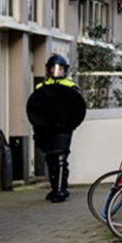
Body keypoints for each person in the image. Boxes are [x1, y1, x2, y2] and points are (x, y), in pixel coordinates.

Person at [33, 54, 83, 203]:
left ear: (64, 70)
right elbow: (35, 109)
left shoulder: (71, 87)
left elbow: (77, 107)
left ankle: (60, 190)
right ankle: (55, 187)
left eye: (60, 69)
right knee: (50, 158)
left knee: (61, 156)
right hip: (46, 129)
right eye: (54, 68)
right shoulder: (41, 87)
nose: (56, 71)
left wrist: (71, 123)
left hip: (64, 128)